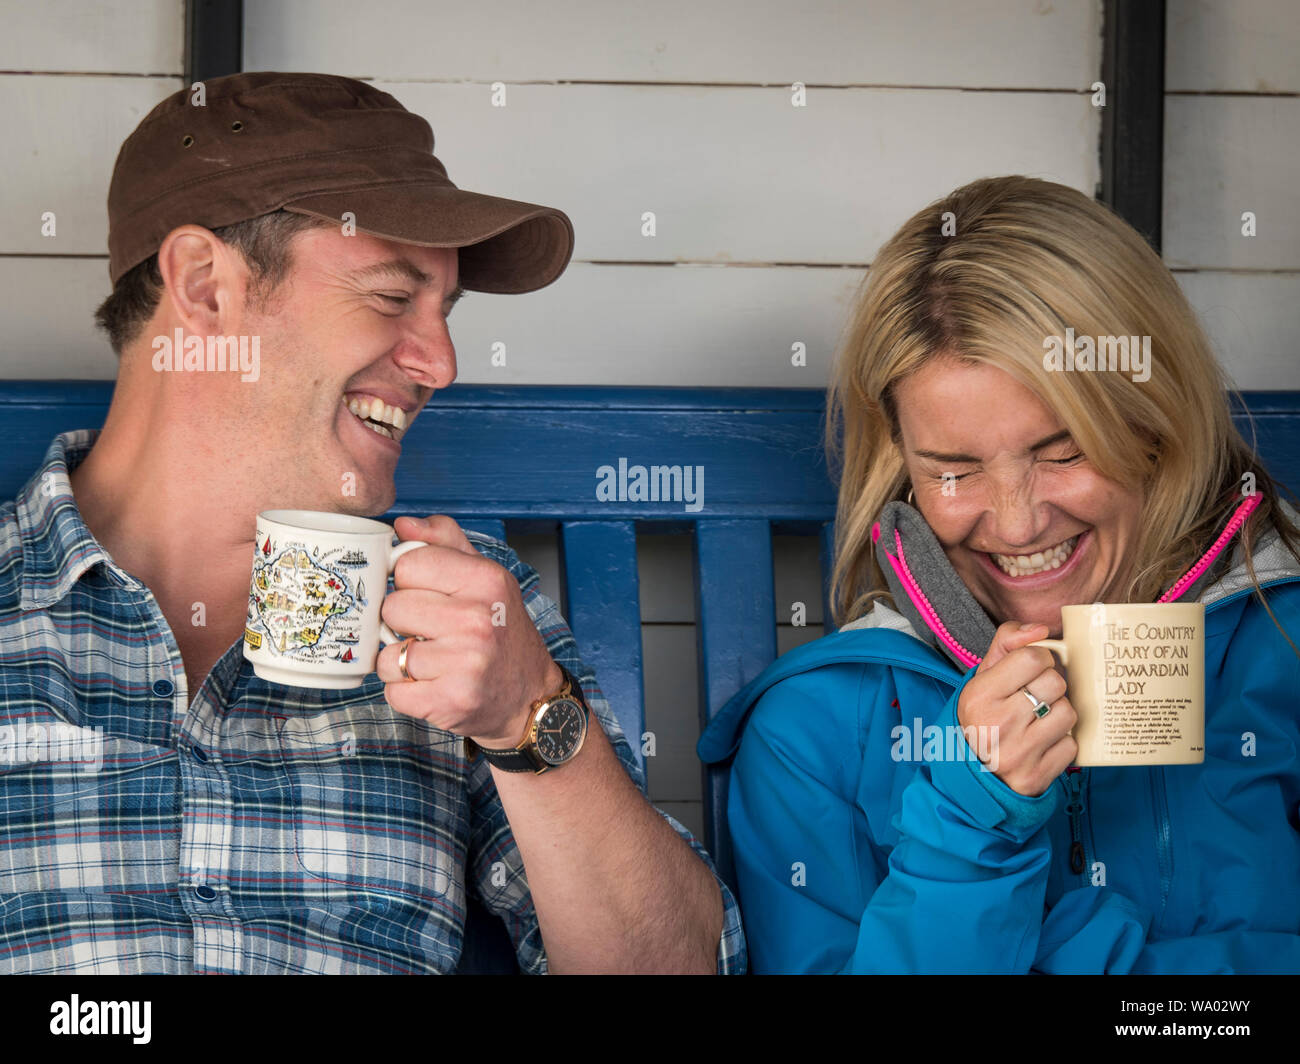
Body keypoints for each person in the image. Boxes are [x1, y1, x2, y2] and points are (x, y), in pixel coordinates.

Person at [0, 72, 744, 974]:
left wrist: (529, 718)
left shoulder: (463, 613)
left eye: (444, 313)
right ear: (202, 287)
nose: (442, 363)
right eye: (393, 299)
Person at [699, 175, 1300, 974]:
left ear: (1159, 423)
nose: (1016, 525)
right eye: (954, 469)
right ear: (899, 464)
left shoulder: (1282, 651)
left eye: (1064, 452)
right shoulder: (814, 729)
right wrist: (967, 827)